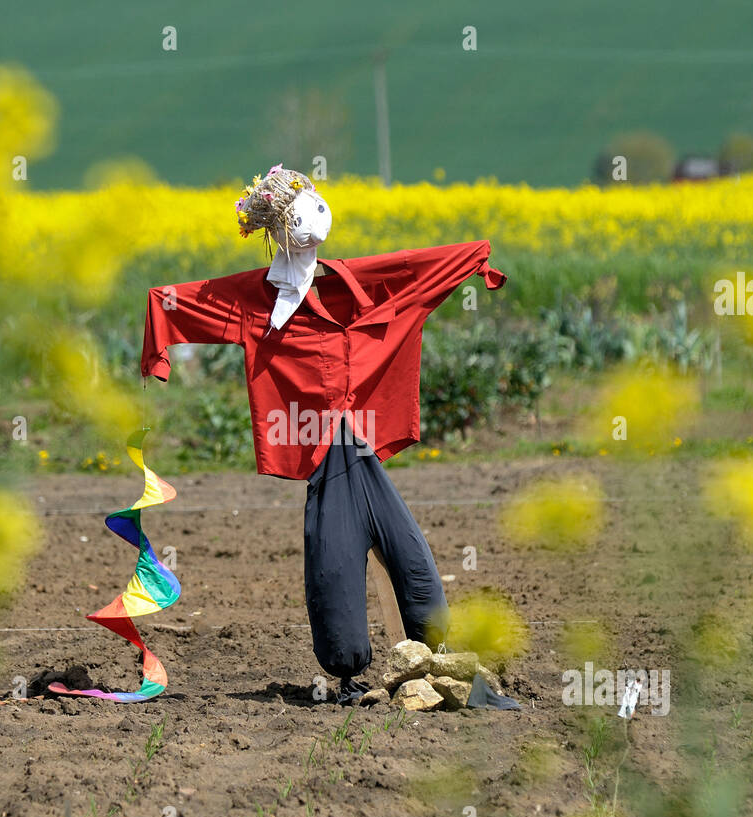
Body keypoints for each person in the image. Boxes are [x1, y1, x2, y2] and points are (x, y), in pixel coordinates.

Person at [142, 164, 507, 705]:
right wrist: (160, 344)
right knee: (335, 577)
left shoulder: (372, 285)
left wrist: (475, 263)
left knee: (413, 567)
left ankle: (429, 656)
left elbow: (423, 266)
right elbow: (177, 300)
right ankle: (352, 673)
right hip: (321, 456)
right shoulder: (256, 300)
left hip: (359, 451)